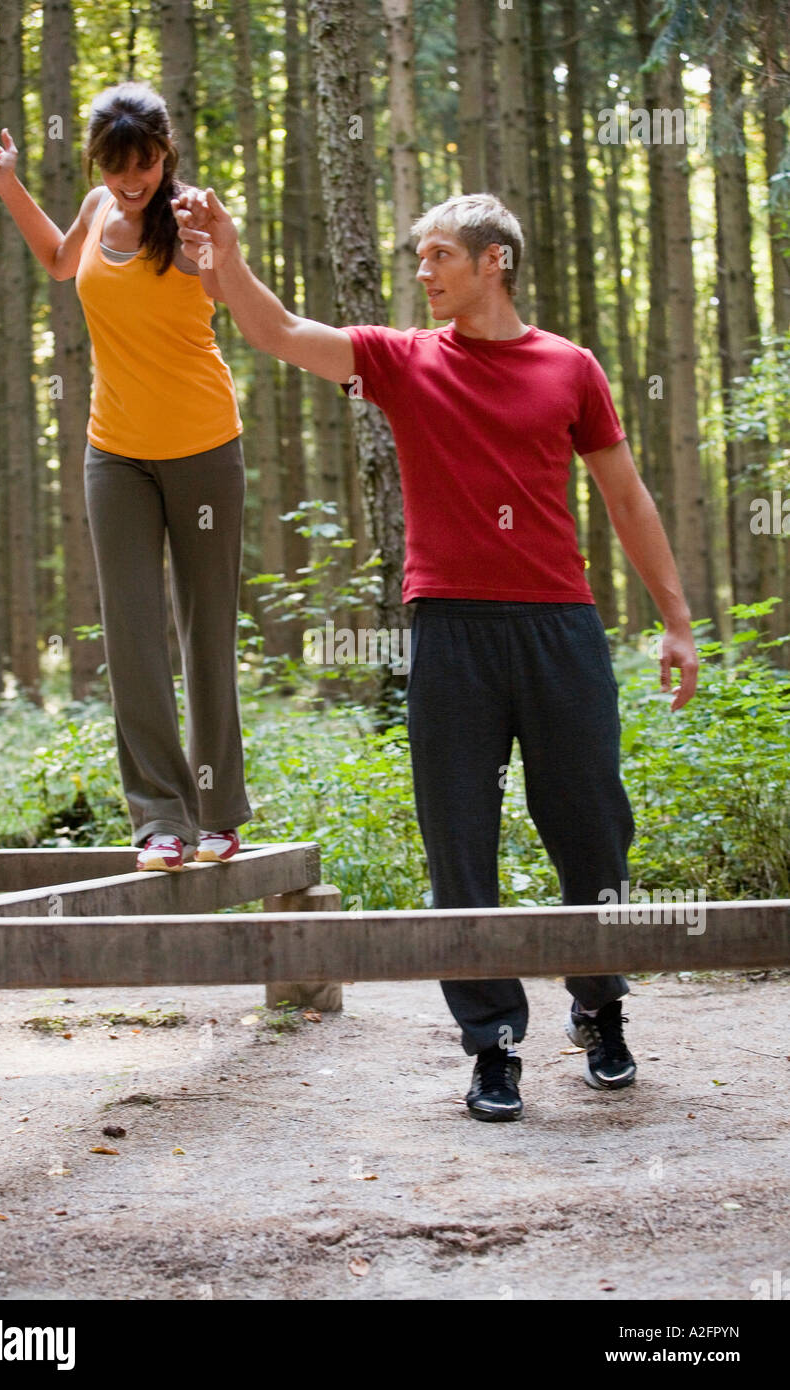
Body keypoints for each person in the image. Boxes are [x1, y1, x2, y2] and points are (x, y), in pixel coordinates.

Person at [174, 187, 699, 1120]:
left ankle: (599, 1004)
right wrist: (228, 251)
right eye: (420, 256)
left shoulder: (571, 368)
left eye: (441, 255)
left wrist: (676, 619)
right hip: (450, 629)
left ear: (495, 260)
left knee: (592, 826)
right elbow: (282, 332)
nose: (424, 272)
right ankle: (492, 1042)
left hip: (560, 626)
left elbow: (627, 495)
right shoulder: (401, 360)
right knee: (459, 839)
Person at [0, 83, 252, 873]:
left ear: (166, 153)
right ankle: (160, 821)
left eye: (147, 165)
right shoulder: (97, 210)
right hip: (114, 453)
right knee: (131, 639)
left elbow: (232, 299)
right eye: (118, 167)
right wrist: (7, 185)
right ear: (99, 162)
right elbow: (60, 264)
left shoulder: (194, 214)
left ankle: (219, 813)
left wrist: (217, 249)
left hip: (204, 448)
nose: (134, 181)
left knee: (207, 635)